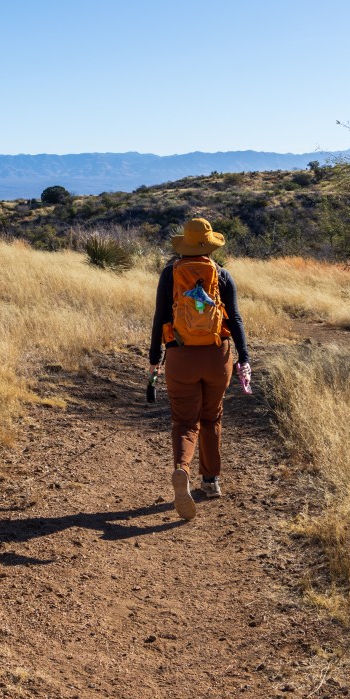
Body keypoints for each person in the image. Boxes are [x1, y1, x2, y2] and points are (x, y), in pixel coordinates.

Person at [148, 217, 250, 520]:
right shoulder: (222, 275)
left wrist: (155, 357)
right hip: (217, 357)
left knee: (184, 422)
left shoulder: (170, 274)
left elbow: (159, 318)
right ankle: (211, 481)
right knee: (211, 417)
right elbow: (236, 318)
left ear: (185, 245)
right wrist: (244, 356)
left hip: (180, 357)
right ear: (209, 245)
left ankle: (182, 470)